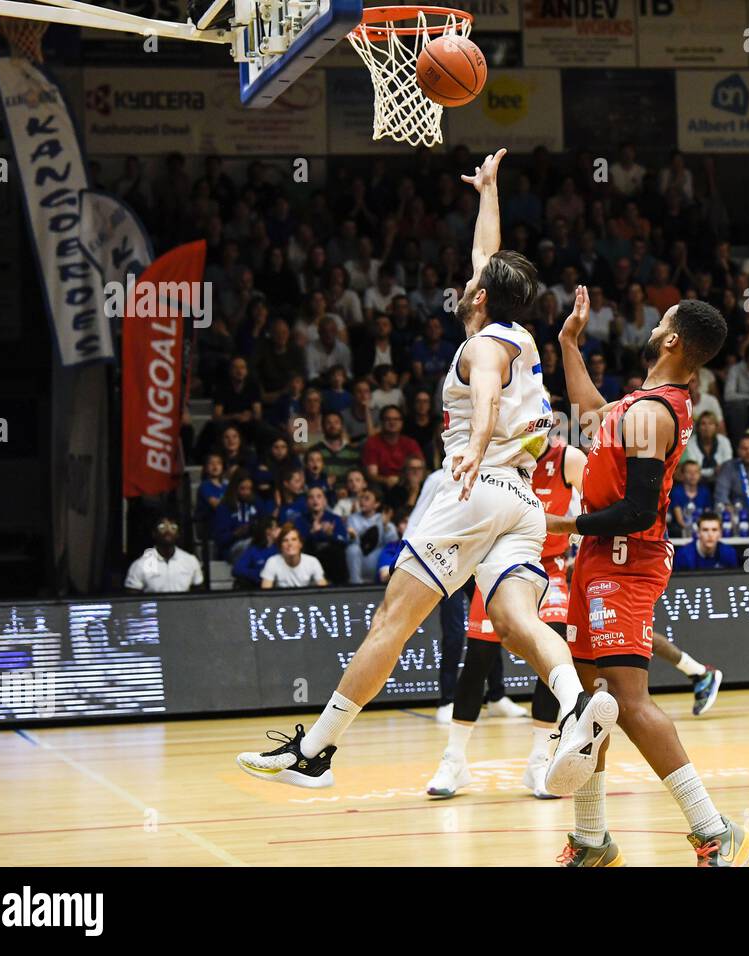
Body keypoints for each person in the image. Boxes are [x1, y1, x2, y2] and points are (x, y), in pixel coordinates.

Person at [238, 148, 616, 801]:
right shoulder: (518, 333)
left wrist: (472, 445)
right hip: (523, 505)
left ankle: (317, 750)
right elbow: (487, 261)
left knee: (391, 620)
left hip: (474, 492)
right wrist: (488, 193)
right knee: (518, 621)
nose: (465, 281)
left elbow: (489, 390)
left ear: (480, 297)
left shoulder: (482, 347)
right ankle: (577, 703)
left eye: (473, 281)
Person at [551, 285, 749, 867]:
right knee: (592, 704)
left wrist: (563, 523)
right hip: (597, 561)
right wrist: (569, 344)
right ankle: (592, 838)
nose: (652, 323)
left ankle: (714, 828)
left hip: (623, 561)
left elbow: (639, 510)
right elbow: (592, 414)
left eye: (661, 319)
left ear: (670, 339)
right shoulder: (642, 404)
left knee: (625, 699)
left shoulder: (651, 413)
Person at [424, 438, 587, 801]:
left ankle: (539, 761)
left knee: (553, 649)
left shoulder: (568, 459)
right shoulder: (496, 454)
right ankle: (454, 759)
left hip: (551, 567)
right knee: (479, 657)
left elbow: (597, 509)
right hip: (499, 564)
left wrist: (578, 534)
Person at [124, 517, 204, 594]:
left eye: (173, 527)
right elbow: (131, 599)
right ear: (154, 533)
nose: (168, 530)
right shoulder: (140, 564)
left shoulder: (190, 560)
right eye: (162, 527)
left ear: (178, 534)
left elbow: (199, 595)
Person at [345, 487, 396, 585]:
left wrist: (385, 527)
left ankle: (382, 583)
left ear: (376, 504)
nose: (362, 501)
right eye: (361, 498)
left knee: (384, 551)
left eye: (367, 498)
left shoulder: (383, 519)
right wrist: (353, 536)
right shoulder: (353, 518)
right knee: (353, 549)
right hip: (360, 560)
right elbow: (354, 544)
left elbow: (392, 546)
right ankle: (355, 584)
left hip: (376, 561)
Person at [260, 524, 328, 588]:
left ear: (300, 544)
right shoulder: (272, 562)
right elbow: (265, 593)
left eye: (294, 539)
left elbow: (324, 591)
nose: (290, 543)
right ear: (280, 546)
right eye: (285, 540)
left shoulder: (312, 562)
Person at [674, 513, 738, 571]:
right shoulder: (684, 555)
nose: (710, 534)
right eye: (705, 530)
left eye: (714, 530)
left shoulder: (729, 553)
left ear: (720, 533)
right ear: (698, 533)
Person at [233, 516, 281, 589]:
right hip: (259, 587)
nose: (280, 530)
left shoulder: (281, 548)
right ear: (268, 531)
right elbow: (237, 569)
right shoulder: (254, 550)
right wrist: (259, 573)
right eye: (276, 527)